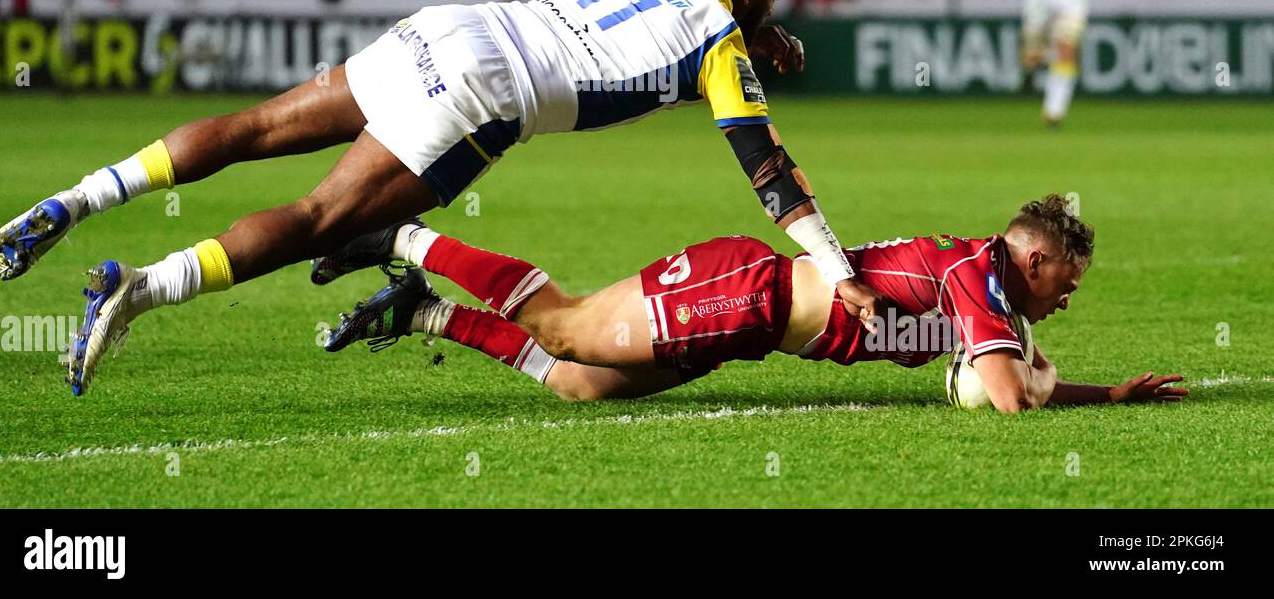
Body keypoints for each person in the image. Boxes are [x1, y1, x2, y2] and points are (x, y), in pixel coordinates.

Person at [0, 0, 881, 394]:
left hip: (455, 25)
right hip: (490, 92)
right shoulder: (725, 47)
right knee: (317, 219)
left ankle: (77, 196)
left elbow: (665, 29)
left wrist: (761, 33)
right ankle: (138, 288)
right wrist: (836, 268)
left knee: (259, 125)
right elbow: (767, 167)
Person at [324, 196, 1187, 412]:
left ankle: (423, 312)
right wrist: (1038, 385)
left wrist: (1101, 394)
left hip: (751, 328)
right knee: (560, 320)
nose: (1065, 302)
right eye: (1063, 284)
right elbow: (1004, 391)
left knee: (581, 384)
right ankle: (406, 237)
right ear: (1032, 257)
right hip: (741, 293)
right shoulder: (976, 277)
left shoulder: (990, 292)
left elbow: (1008, 364)